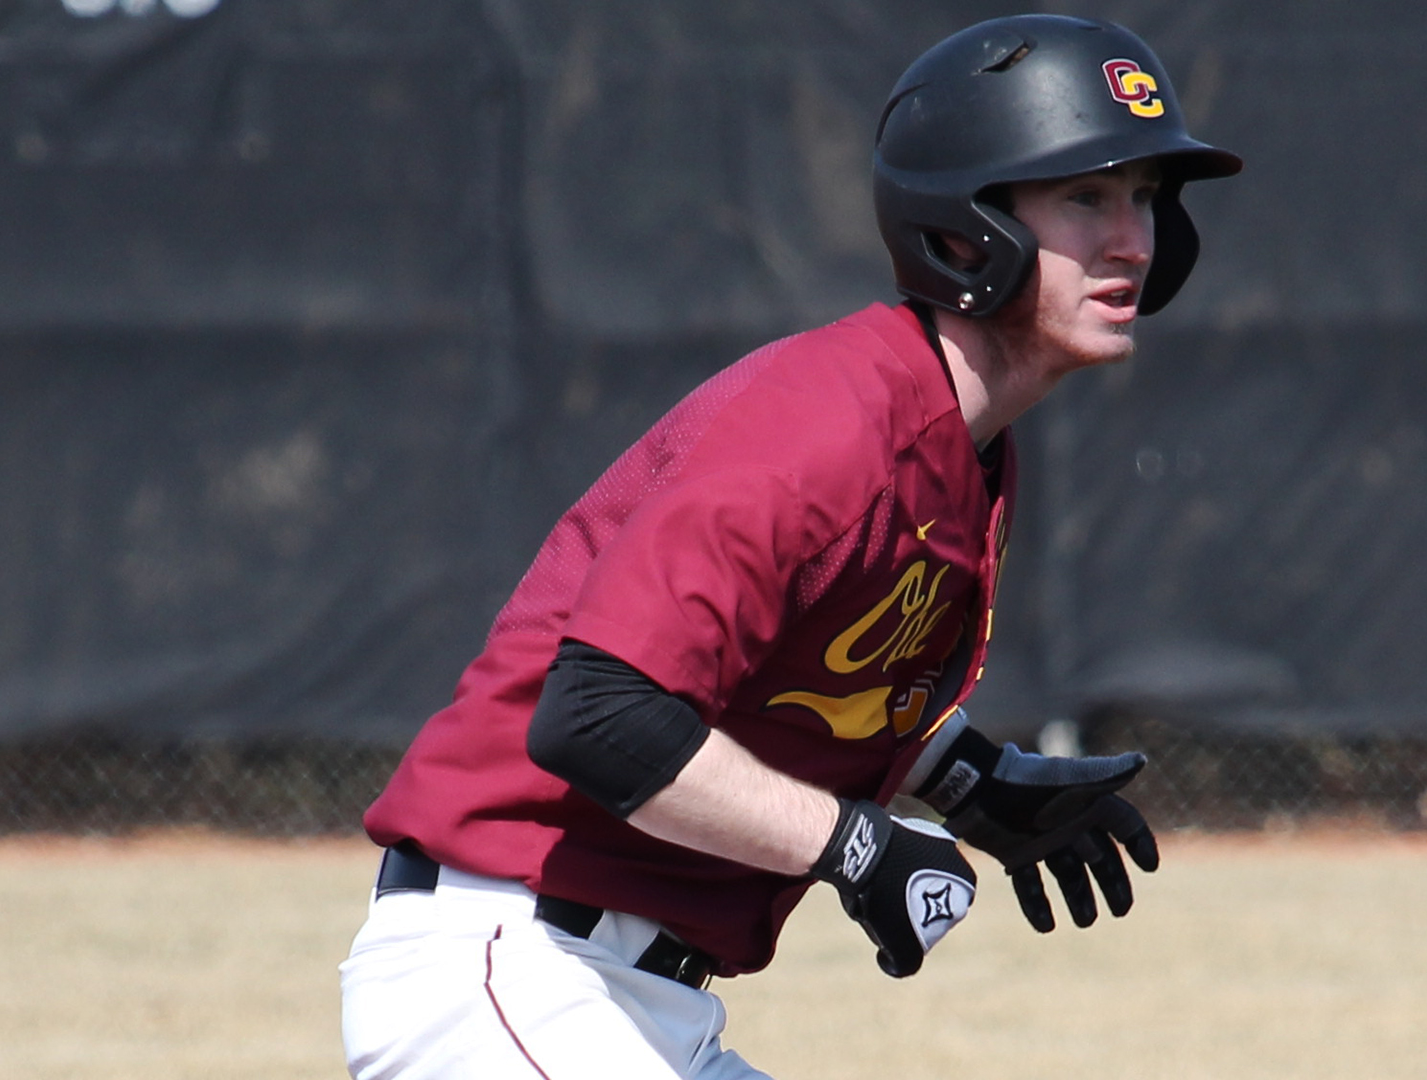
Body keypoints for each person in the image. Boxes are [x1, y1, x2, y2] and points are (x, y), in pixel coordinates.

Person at [338, 14, 1240, 1080]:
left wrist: (971, 782)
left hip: (625, 998)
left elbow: (789, 680)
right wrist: (851, 847)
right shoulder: (826, 421)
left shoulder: (957, 442)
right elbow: (600, 716)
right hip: (506, 966)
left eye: (1143, 197)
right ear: (966, 229)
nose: (1132, 236)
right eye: (1085, 196)